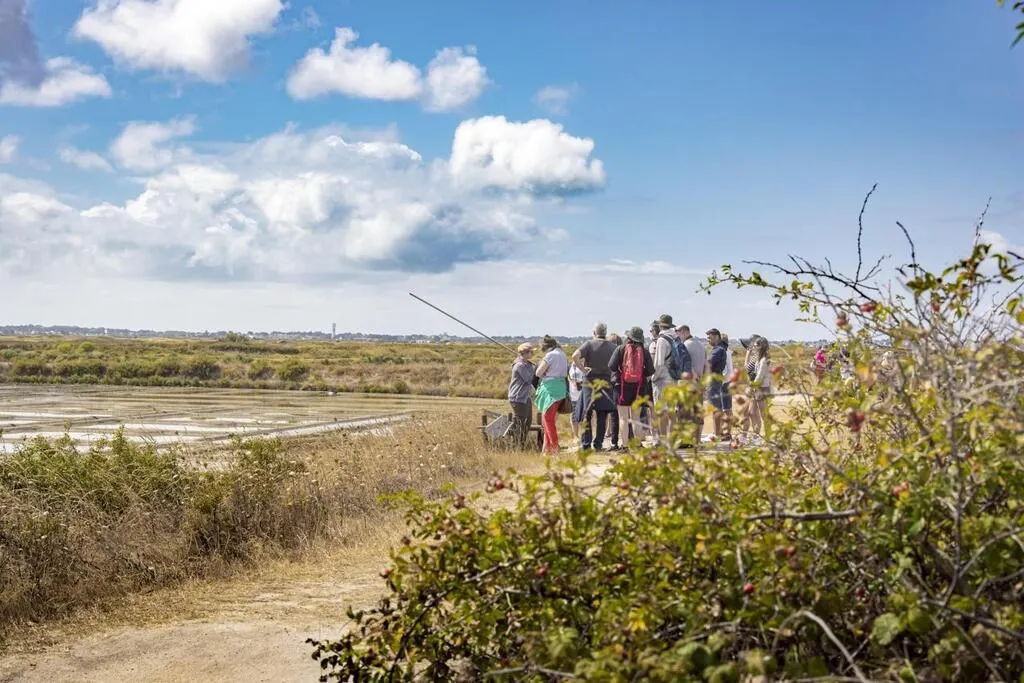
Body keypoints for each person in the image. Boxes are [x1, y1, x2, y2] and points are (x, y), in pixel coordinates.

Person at [572, 323, 618, 452]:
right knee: (602, 414)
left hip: (590, 381)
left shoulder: (588, 344)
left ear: (594, 332)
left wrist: (582, 368)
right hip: (606, 382)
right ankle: (598, 444)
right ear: (605, 332)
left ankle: (586, 444)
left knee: (587, 413)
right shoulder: (613, 347)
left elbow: (574, 356)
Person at [609, 326, 655, 448]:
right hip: (639, 388)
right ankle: (638, 444)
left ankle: (624, 445)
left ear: (629, 337)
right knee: (636, 418)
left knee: (623, 418)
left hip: (622, 388)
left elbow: (611, 366)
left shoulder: (621, 349)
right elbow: (651, 370)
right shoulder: (644, 351)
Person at [534, 335, 569, 454]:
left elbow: (538, 373)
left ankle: (554, 449)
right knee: (549, 421)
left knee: (548, 420)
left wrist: (545, 374)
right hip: (561, 389)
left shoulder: (550, 355)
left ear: (546, 347)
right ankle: (546, 449)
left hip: (550, 390)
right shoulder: (563, 354)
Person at [508, 343, 537, 448]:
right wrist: (537, 369)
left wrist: (532, 366)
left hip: (525, 397)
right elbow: (529, 379)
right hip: (518, 397)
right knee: (520, 422)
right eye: (531, 352)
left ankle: (522, 443)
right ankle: (516, 445)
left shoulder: (526, 364)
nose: (533, 353)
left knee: (527, 422)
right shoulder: (520, 365)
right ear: (525, 353)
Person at [706, 328, 730, 440]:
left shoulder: (718, 350)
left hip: (714, 379)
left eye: (710, 338)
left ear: (716, 336)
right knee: (717, 406)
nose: (708, 340)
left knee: (715, 407)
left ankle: (717, 433)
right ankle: (718, 432)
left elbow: (708, 364)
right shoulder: (721, 349)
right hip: (717, 379)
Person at [748, 336, 773, 436]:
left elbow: (760, 376)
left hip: (761, 389)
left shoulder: (763, 360)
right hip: (758, 388)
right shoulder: (761, 359)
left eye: (755, 346)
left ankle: (768, 436)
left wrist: (752, 386)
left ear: (760, 347)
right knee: (751, 412)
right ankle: (757, 435)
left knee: (764, 414)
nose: (753, 348)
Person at [568, 362, 586, 440]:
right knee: (574, 417)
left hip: (582, 396)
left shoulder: (583, 367)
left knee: (583, 417)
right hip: (572, 396)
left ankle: (583, 436)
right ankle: (576, 436)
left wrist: (581, 383)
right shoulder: (568, 368)